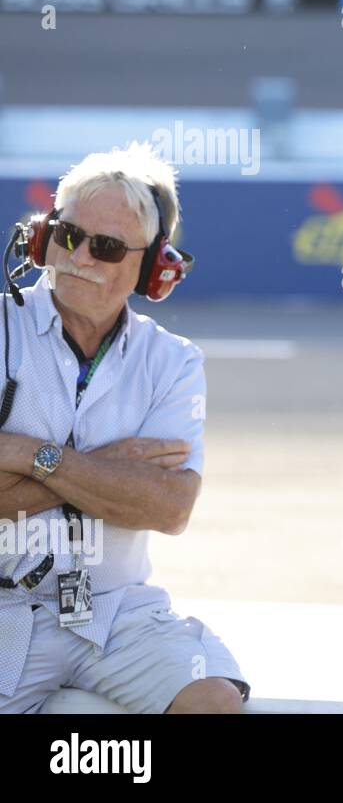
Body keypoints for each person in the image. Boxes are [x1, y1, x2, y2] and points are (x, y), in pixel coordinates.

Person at [0, 142, 248, 714]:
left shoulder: (174, 362)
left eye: (107, 247)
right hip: (6, 613)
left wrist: (34, 456)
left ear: (154, 267)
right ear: (42, 237)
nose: (80, 256)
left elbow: (168, 509)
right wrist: (105, 473)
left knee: (214, 703)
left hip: (116, 614)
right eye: (68, 235)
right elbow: (137, 496)